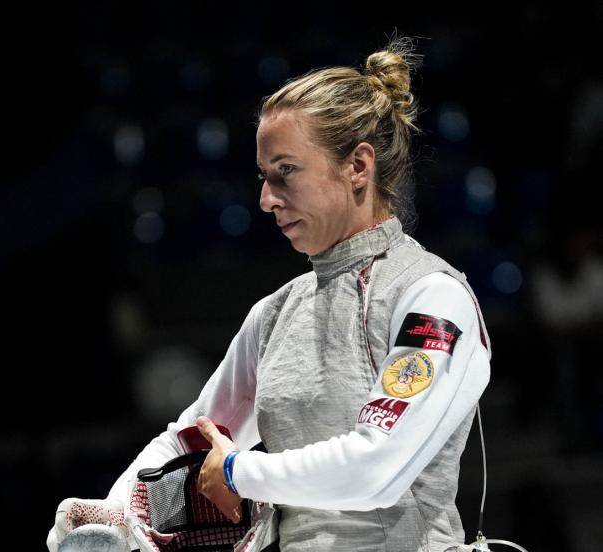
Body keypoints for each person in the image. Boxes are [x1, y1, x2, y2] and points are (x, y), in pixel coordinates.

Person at [48, 37, 491, 552]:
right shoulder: (277, 314)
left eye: (286, 173)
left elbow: (378, 465)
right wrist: (113, 515)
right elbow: (191, 438)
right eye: (264, 176)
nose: (266, 199)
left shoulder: (431, 297)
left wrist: (239, 472)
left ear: (358, 167)